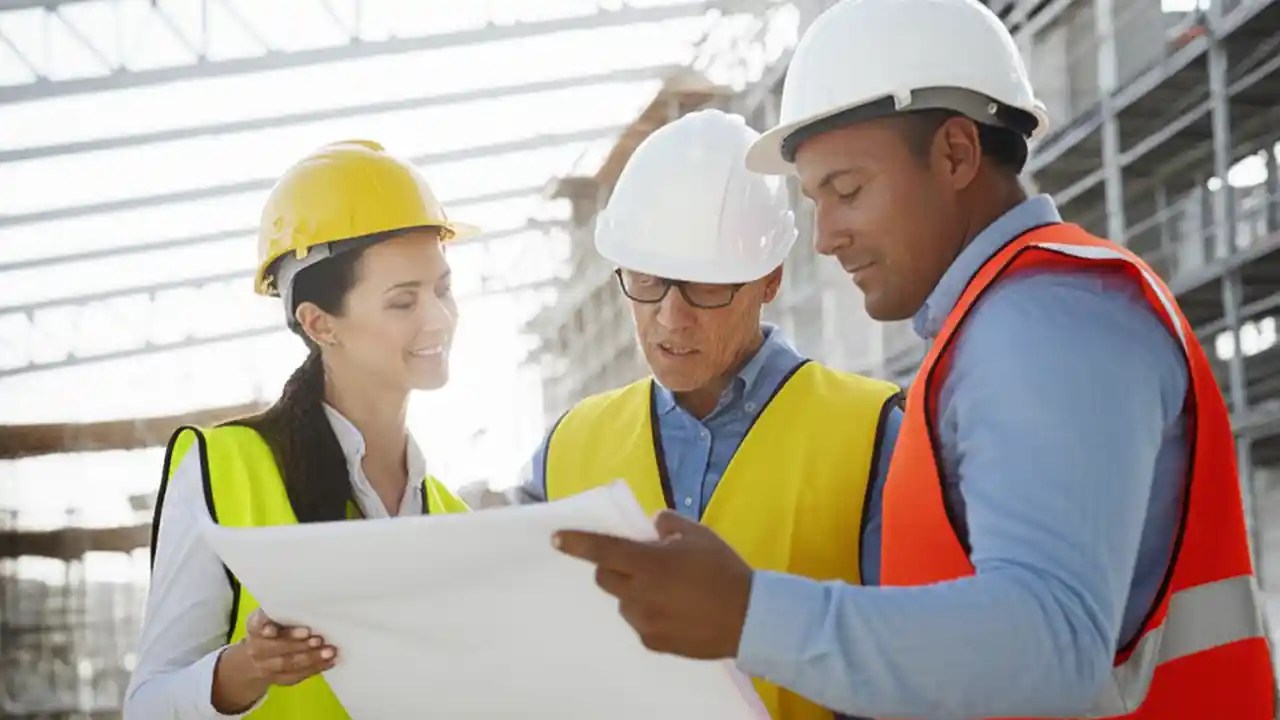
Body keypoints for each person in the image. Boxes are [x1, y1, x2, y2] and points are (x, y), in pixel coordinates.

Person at [552, 1, 1276, 718]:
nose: (826, 237)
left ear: (957, 154)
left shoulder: (1044, 316)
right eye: (814, 201)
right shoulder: (999, 324)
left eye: (847, 190)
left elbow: (1050, 641)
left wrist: (747, 613)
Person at [519, 108, 902, 720]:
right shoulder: (566, 449)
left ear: (769, 279)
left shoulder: (874, 435)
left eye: (705, 287)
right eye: (649, 282)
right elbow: (516, 639)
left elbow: (912, 667)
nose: (671, 318)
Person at [125, 140, 473, 719]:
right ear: (319, 323)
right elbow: (147, 708)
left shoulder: (455, 520)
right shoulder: (224, 468)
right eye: (402, 301)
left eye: (442, 289)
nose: (439, 317)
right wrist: (247, 669)